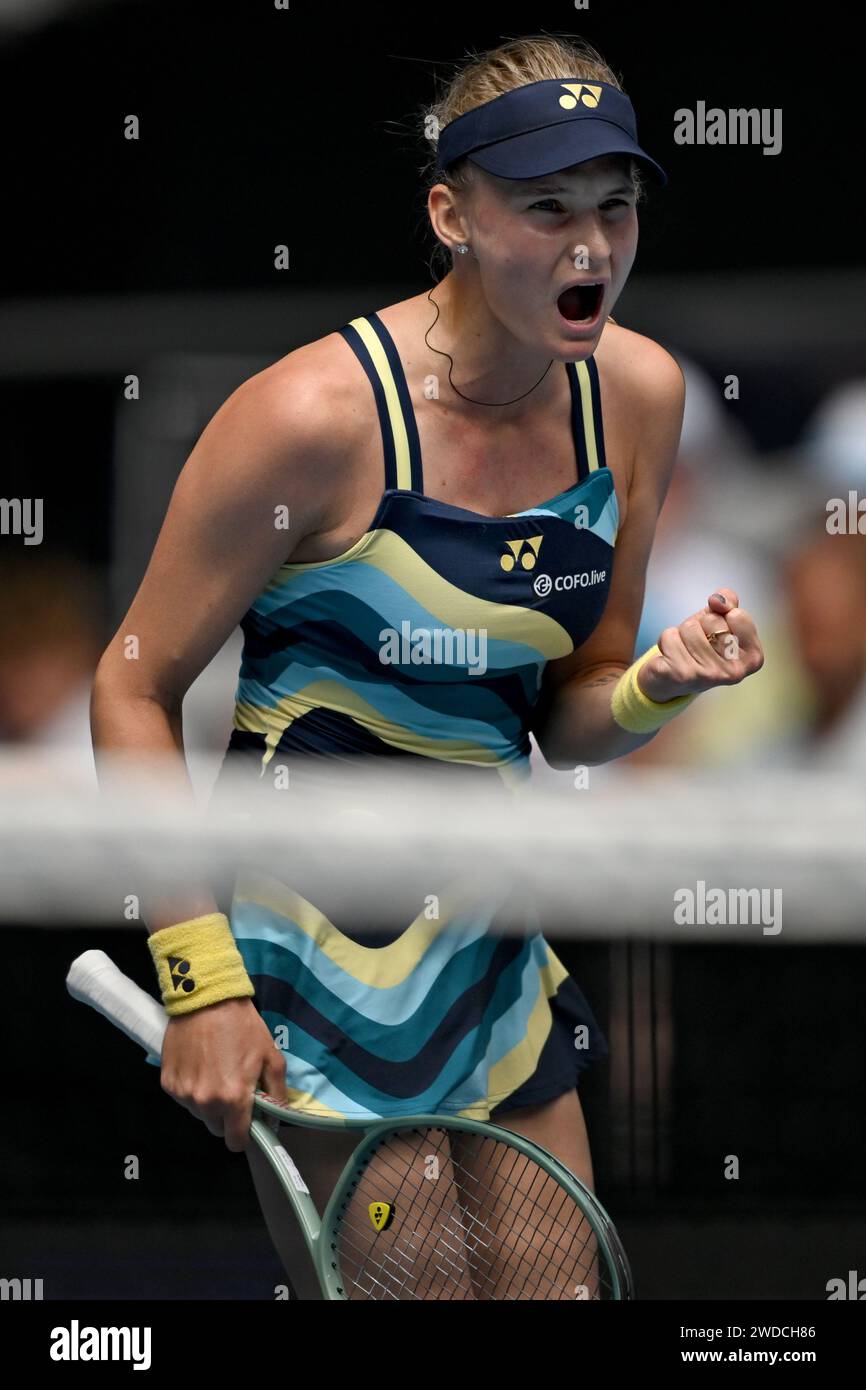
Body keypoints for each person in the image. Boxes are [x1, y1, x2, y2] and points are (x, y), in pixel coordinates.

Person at [90, 34, 764, 1299]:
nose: (591, 247)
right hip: (311, 952)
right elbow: (128, 685)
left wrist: (653, 687)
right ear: (449, 214)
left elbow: (569, 717)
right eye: (545, 207)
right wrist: (199, 980)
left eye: (614, 209)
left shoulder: (636, 397)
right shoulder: (307, 422)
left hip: (491, 942)